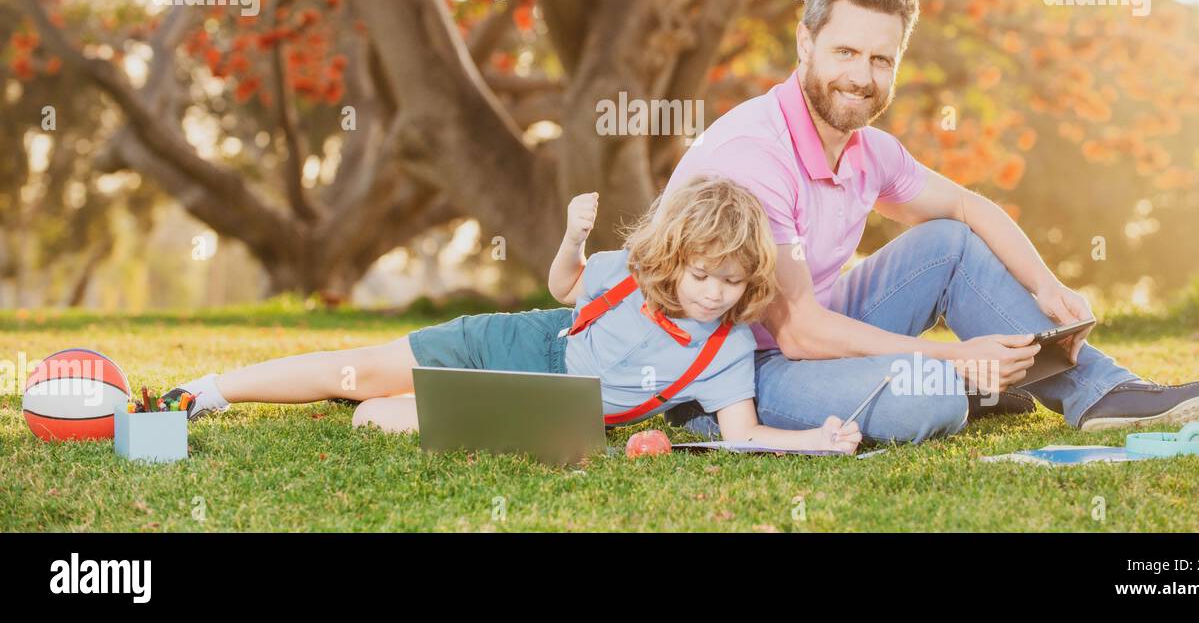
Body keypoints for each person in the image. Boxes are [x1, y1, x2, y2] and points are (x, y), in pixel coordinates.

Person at [660, 0, 1199, 442]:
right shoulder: (756, 156)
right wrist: (953, 358)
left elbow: (971, 209)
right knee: (932, 398)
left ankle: (1102, 392)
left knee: (948, 241)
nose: (862, 77)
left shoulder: (869, 149)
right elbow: (801, 335)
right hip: (730, 371)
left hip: (810, 339)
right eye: (845, 52)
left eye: (880, 60)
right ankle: (963, 383)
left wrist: (1046, 288)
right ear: (805, 43)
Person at [163, 175, 863, 454]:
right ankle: (209, 389)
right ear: (674, 258)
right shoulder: (627, 273)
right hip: (516, 339)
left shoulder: (729, 348)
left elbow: (742, 433)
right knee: (360, 371)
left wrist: (816, 440)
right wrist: (572, 240)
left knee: (373, 415)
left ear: (750, 281)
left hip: (549, 407)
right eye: (700, 273)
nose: (712, 292)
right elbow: (564, 287)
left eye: (729, 280)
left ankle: (394, 402)